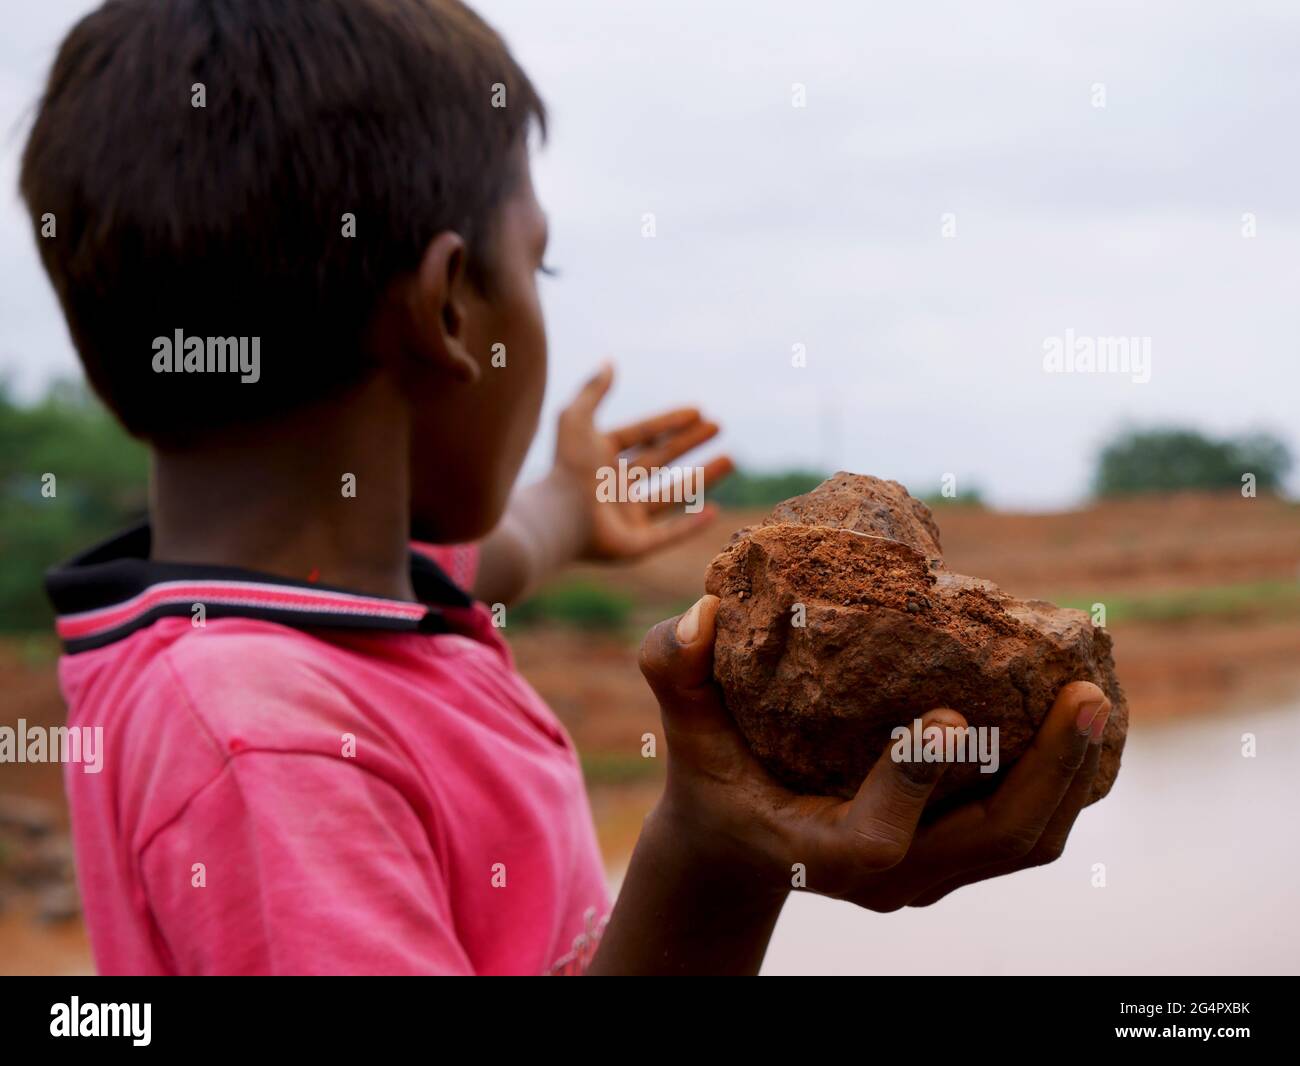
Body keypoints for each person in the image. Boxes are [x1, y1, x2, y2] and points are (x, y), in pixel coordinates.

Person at [23, 0, 1111, 975]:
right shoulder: (266, 749)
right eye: (537, 268)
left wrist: (561, 508)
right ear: (451, 312)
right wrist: (710, 863)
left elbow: (484, 562)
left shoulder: (308, 593)